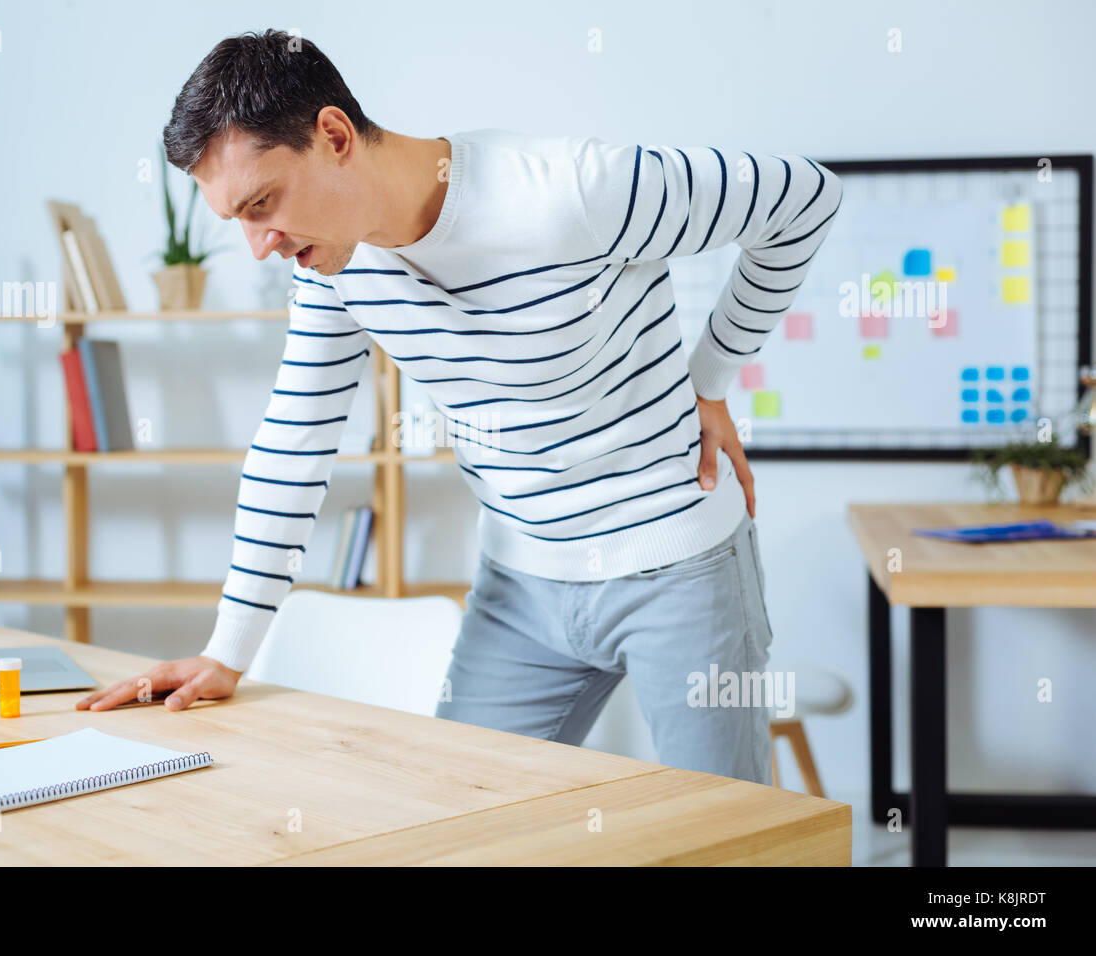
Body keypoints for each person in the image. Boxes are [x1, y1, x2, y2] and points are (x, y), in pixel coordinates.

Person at [78, 29, 842, 785]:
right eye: (237, 220)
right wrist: (228, 649)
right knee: (454, 819)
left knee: (728, 839)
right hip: (521, 588)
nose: (258, 244)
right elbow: (294, 441)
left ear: (334, 135)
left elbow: (804, 198)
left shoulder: (573, 191)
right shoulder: (333, 265)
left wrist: (710, 378)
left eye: (263, 202)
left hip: (679, 565)